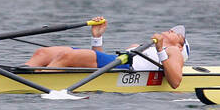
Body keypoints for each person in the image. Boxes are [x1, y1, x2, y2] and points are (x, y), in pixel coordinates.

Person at [24, 20, 189, 89]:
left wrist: (160, 49)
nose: (172, 29)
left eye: (177, 33)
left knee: (65, 56)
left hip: (126, 66)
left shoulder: (173, 51)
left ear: (180, 46)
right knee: (43, 52)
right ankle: (20, 72)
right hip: (114, 62)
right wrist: (97, 37)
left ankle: (37, 81)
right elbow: (98, 66)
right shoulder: (143, 46)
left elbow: (175, 82)